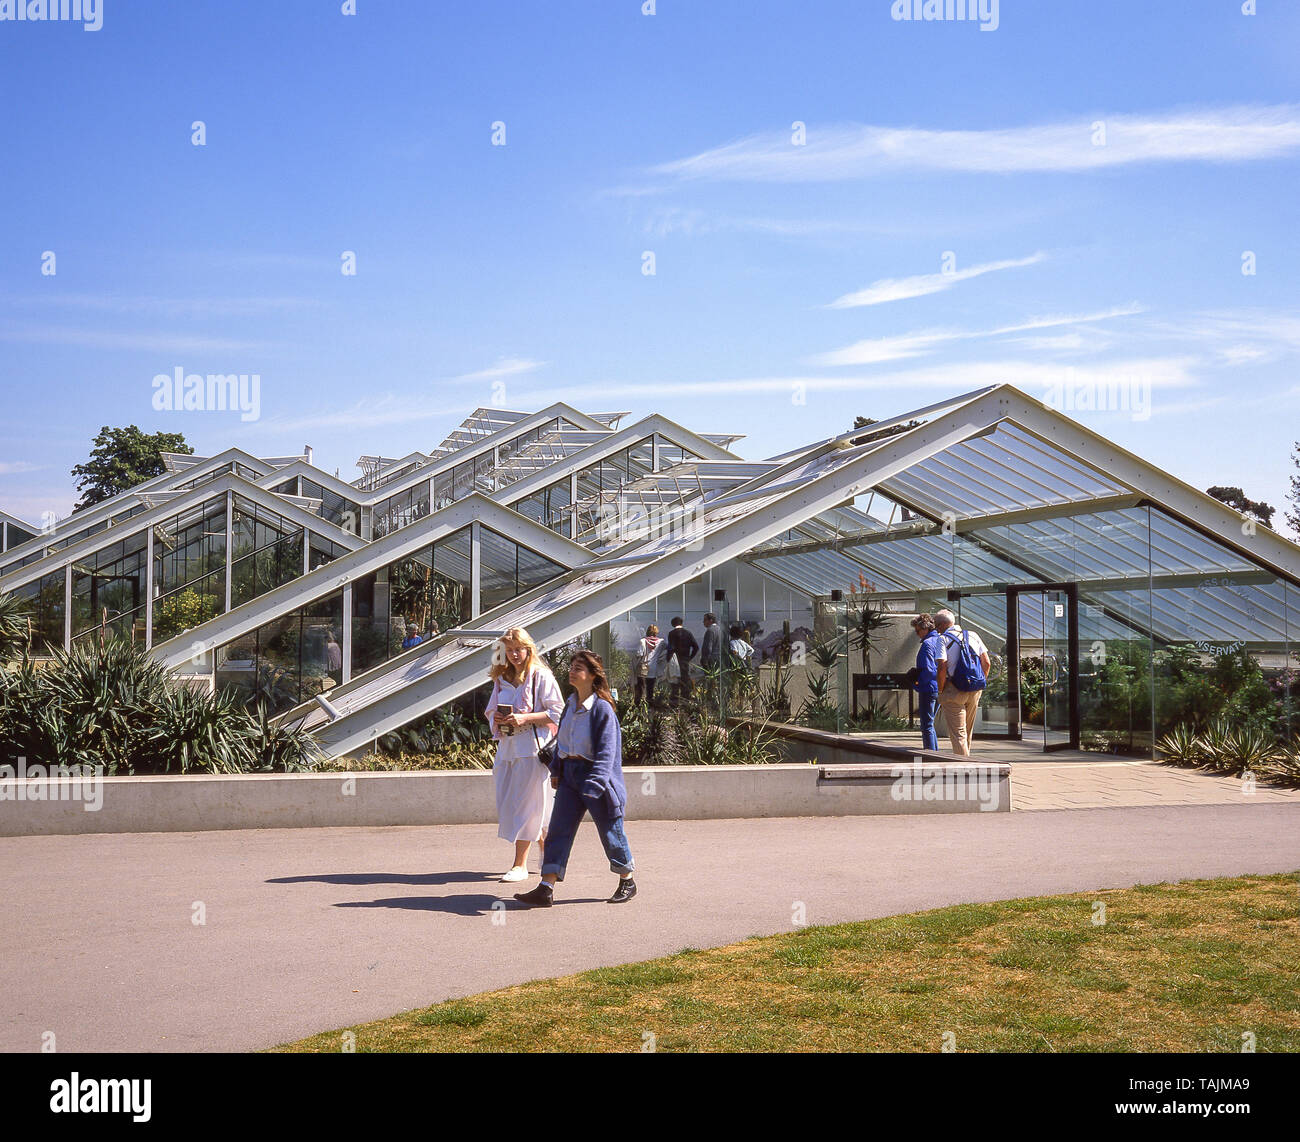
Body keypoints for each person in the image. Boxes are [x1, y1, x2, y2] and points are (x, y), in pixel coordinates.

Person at [514, 650, 637, 907]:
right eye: (571, 666)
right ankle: (546, 888)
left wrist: (596, 783)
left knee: (610, 830)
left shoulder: (602, 709)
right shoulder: (570, 704)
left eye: (579, 668)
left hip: (596, 778)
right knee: (558, 830)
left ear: (593, 675)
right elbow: (562, 741)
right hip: (570, 776)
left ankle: (627, 879)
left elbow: (608, 752)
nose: (572, 671)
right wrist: (557, 770)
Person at [484, 628, 564, 882]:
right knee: (521, 804)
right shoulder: (501, 678)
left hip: (532, 750)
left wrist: (525, 717)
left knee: (526, 806)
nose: (514, 655)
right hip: (509, 749)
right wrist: (497, 717)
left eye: (518, 649)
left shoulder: (541, 676)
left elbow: (557, 712)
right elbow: (491, 711)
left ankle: (520, 865)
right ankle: (548, 854)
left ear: (529, 649)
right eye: (509, 650)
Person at [934, 609, 991, 757]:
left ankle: (965, 769)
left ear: (942, 625)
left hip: (953, 689)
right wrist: (980, 683)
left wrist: (941, 689)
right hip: (974, 689)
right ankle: (967, 761)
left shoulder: (942, 639)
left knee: (958, 734)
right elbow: (987, 662)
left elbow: (942, 666)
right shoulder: (973, 635)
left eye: (937, 626)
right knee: (967, 731)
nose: (937, 629)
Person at [909, 614, 943, 752]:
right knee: (930, 724)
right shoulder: (940, 640)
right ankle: (934, 753)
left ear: (925, 629)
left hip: (928, 688)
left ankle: (930, 755)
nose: (917, 634)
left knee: (926, 725)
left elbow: (928, 670)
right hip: (939, 687)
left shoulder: (927, 644)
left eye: (918, 631)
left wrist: (917, 684)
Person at [665, 616, 698, 699]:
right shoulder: (688, 633)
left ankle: (675, 700)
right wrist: (690, 657)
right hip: (685, 660)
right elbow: (696, 647)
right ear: (681, 623)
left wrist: (668, 659)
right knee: (685, 680)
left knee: (674, 681)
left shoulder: (671, 633)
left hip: (675, 660)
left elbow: (670, 648)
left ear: (673, 624)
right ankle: (685, 699)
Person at [634, 623, 664, 704]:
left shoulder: (643, 641)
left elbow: (639, 654)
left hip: (643, 666)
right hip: (653, 667)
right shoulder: (661, 642)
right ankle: (650, 704)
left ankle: (639, 705)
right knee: (650, 688)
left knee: (641, 687)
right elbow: (667, 650)